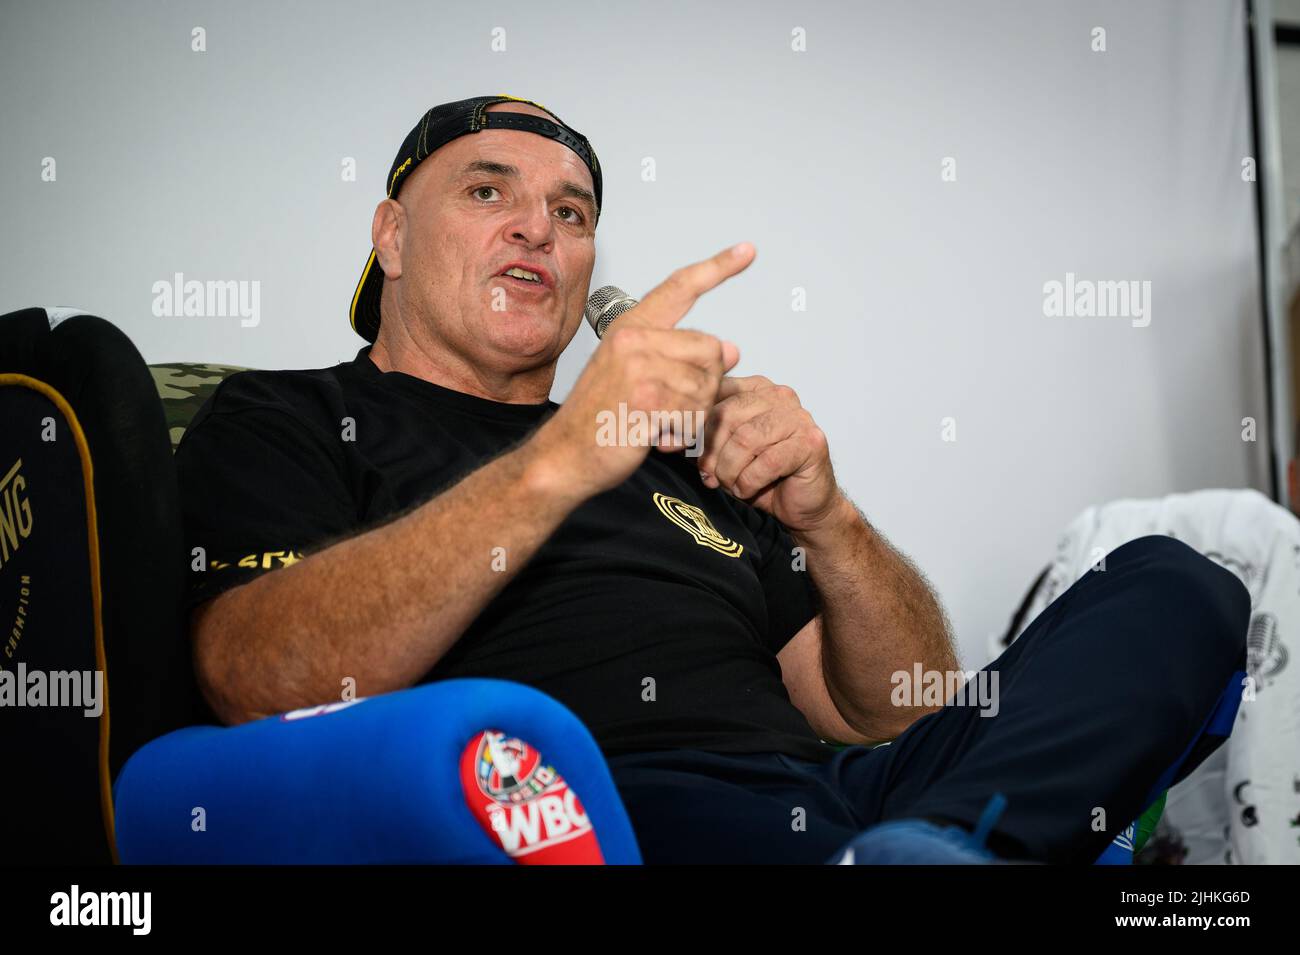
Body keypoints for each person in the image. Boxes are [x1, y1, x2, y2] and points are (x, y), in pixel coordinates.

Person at [177, 94, 1250, 864]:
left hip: (841, 794)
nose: (534, 227)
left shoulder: (678, 466)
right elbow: (258, 676)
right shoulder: (291, 415)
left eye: (573, 211)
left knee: (1179, 584)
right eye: (487, 189)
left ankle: (945, 847)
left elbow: (889, 712)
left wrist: (827, 518)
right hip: (603, 799)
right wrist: (561, 457)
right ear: (392, 235)